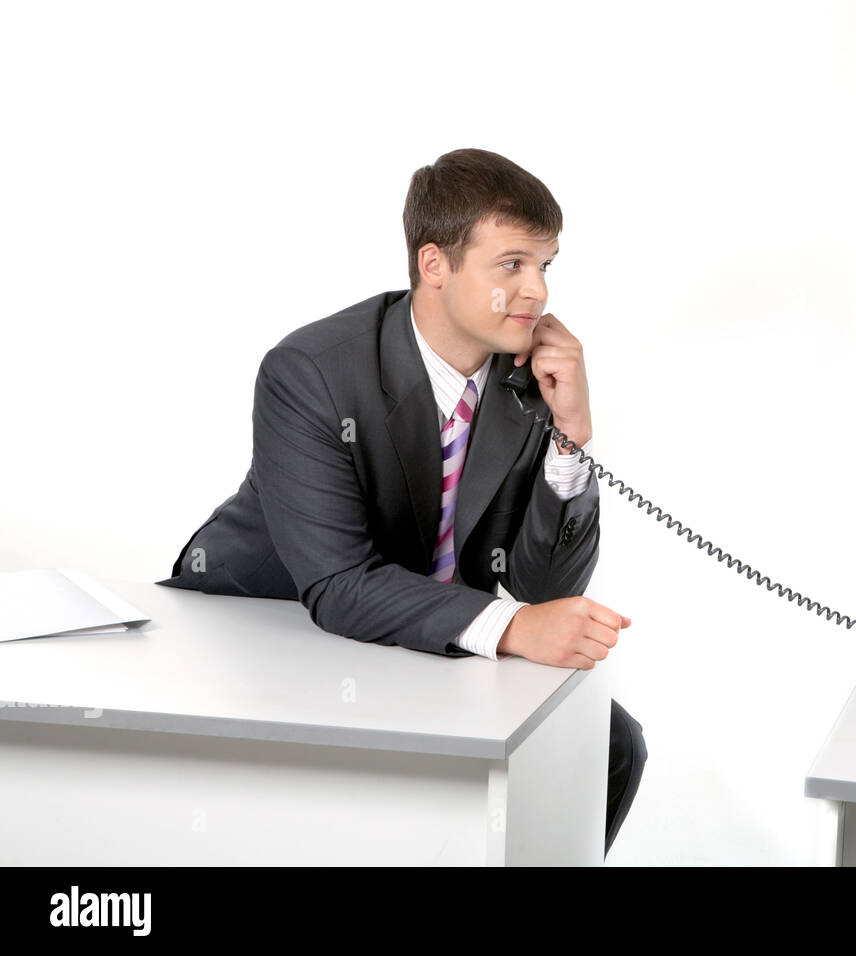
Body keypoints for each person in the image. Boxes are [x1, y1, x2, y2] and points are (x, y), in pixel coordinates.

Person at [157, 147, 646, 856]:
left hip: (415, 632)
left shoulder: (523, 382)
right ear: (435, 265)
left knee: (610, 745)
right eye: (511, 264)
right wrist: (511, 627)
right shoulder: (313, 371)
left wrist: (571, 438)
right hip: (271, 623)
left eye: (546, 264)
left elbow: (547, 587)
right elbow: (338, 582)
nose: (536, 291)